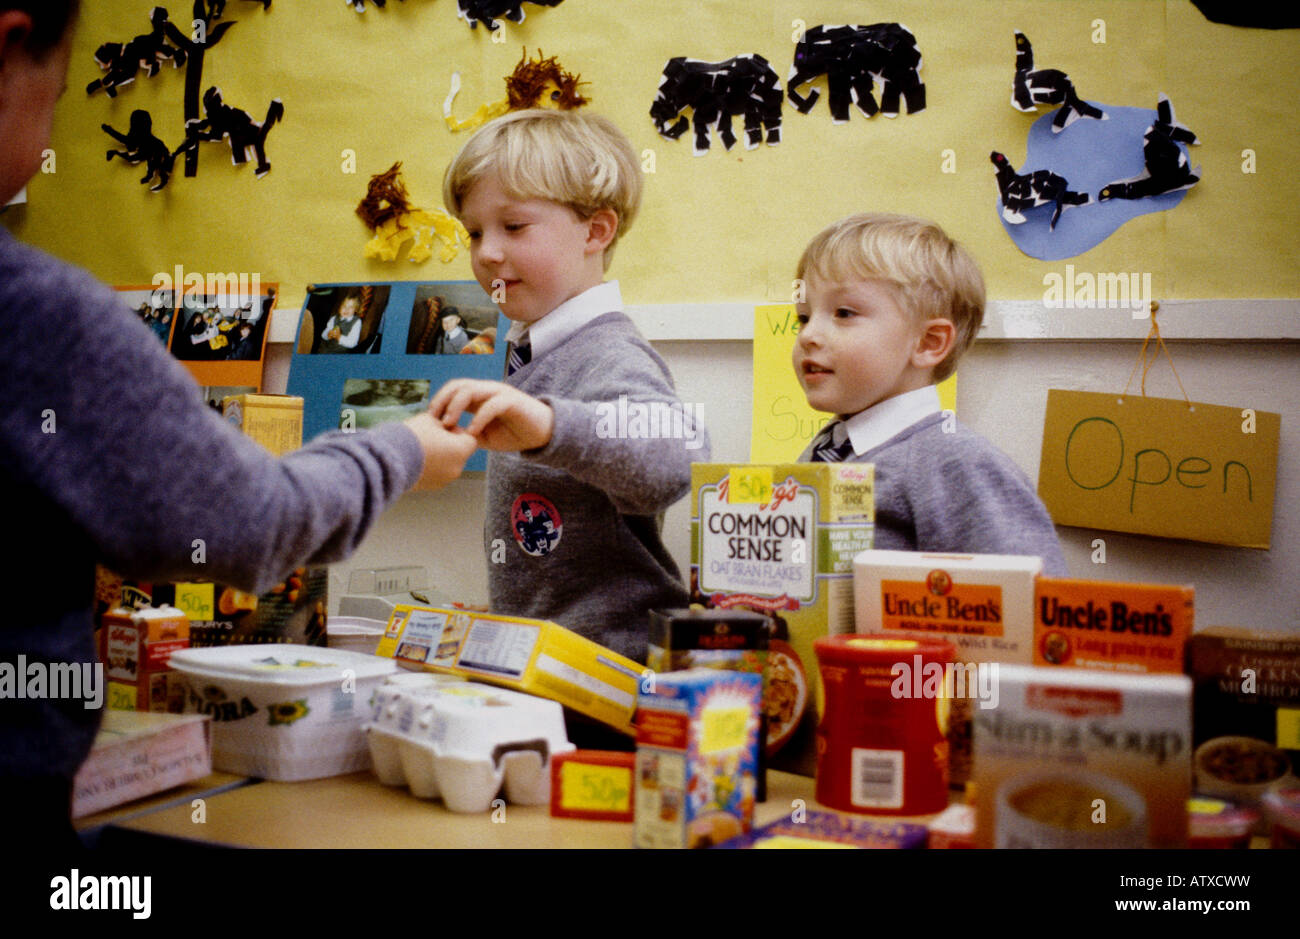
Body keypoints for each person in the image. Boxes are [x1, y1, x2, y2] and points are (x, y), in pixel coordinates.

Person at [0, 0, 478, 849]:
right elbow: (249, 520)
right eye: (62, 90)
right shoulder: (38, 314)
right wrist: (405, 449)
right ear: (9, 50)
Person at [430, 109, 709, 664]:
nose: (486, 252)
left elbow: (672, 461)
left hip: (612, 667)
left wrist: (549, 425)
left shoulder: (609, 352)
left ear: (596, 231)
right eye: (475, 232)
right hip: (543, 662)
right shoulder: (531, 349)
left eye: (513, 227)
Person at [791, 212, 1067, 573]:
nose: (808, 335)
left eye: (843, 313)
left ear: (927, 343)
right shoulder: (825, 449)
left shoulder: (959, 463)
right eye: (803, 316)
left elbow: (1034, 600)